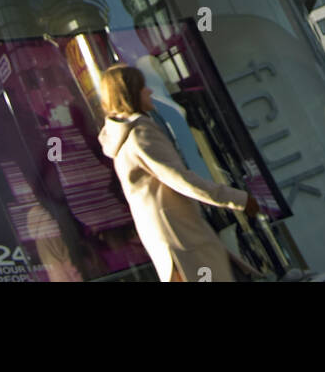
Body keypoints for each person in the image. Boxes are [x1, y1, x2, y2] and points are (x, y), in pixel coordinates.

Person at [97, 63, 258, 283]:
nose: (150, 91)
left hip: (168, 236)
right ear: (131, 93)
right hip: (182, 236)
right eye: (143, 86)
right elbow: (180, 179)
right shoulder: (140, 134)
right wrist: (238, 199)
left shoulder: (121, 138)